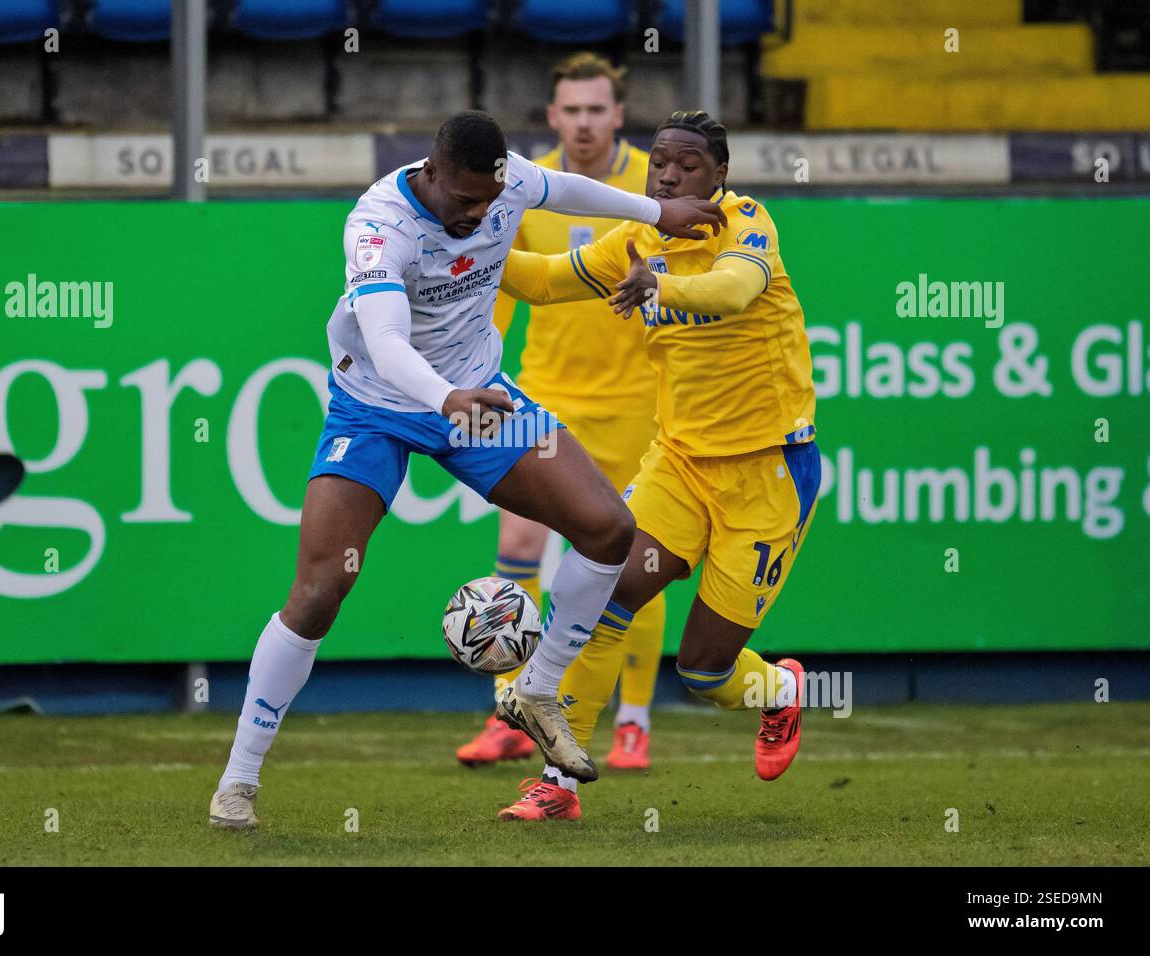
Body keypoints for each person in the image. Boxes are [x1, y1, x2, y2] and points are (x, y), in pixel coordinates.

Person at [208, 110, 722, 829]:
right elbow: (386, 341)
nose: (477, 213)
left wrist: (657, 209)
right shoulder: (377, 225)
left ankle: (537, 690)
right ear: (431, 170)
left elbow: (572, 190)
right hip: (378, 408)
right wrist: (444, 398)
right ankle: (239, 779)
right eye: (463, 201)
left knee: (609, 529)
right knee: (324, 585)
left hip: (478, 399)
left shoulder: (506, 184)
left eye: (489, 200)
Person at [493, 110, 818, 821]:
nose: (668, 174)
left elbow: (733, 289)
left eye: (689, 164)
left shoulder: (747, 222)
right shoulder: (637, 237)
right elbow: (547, 280)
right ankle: (560, 782)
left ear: (720, 176)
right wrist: (467, 250)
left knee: (705, 669)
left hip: (768, 472)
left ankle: (784, 693)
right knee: (603, 597)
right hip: (680, 463)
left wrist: (658, 289)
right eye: (660, 163)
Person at [455, 53, 666, 776]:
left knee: (635, 557)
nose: (582, 122)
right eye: (569, 110)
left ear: (617, 115)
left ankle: (632, 724)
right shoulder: (521, 186)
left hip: (636, 401)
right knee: (517, 543)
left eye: (595, 110)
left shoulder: (651, 186)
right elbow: (498, 292)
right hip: (545, 393)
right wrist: (478, 377)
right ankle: (512, 710)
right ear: (552, 117)